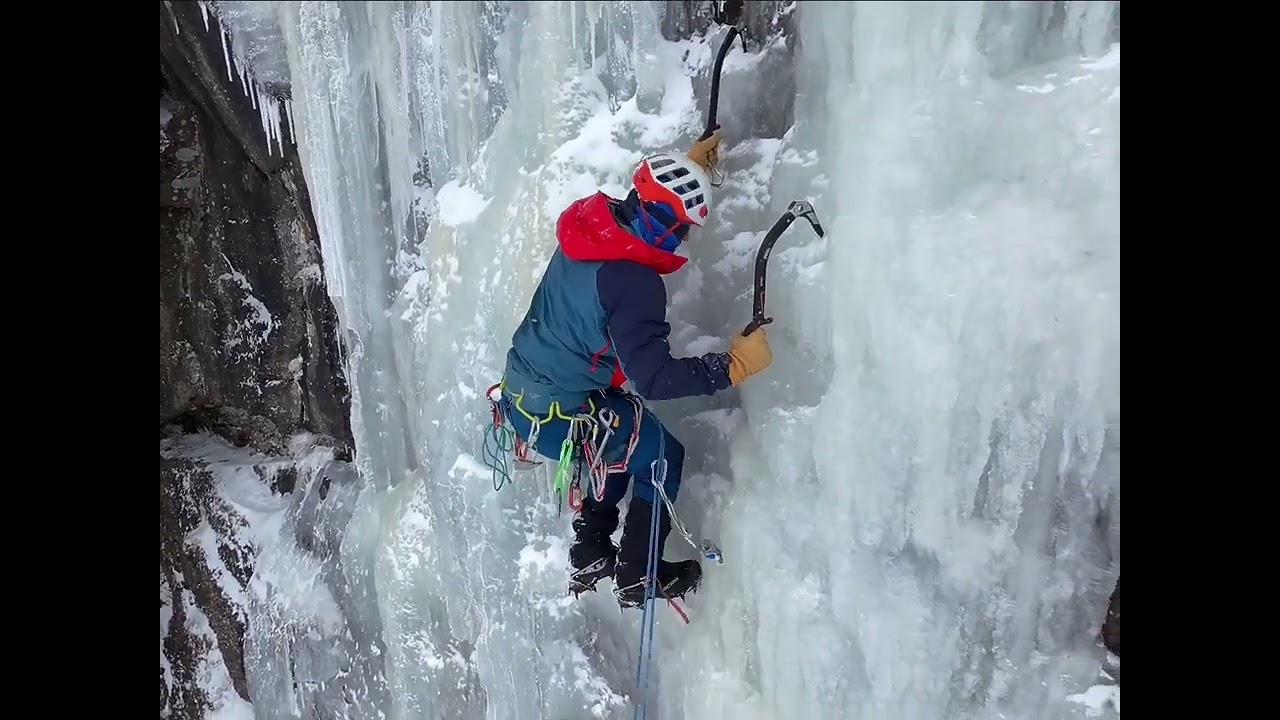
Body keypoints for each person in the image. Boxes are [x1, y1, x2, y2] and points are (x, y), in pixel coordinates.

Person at [497, 130, 773, 608]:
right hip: (560, 415)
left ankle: (591, 549)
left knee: (624, 438)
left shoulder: (591, 229)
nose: (683, 239)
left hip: (524, 395)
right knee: (661, 454)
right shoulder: (635, 283)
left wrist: (688, 174)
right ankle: (638, 575)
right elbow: (654, 379)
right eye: (682, 227)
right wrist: (731, 366)